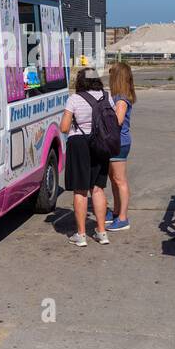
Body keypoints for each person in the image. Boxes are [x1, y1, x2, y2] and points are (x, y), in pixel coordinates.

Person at [59, 66, 115, 246]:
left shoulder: (74, 99)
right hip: (101, 144)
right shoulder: (107, 97)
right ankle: (102, 232)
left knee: (80, 190)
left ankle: (81, 235)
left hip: (79, 144)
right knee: (98, 189)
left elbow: (64, 128)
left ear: (80, 81)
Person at [104, 62, 135, 232]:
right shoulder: (117, 96)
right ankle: (116, 211)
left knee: (120, 179)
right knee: (114, 179)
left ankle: (123, 217)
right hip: (114, 142)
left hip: (119, 142)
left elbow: (118, 121)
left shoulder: (121, 99)